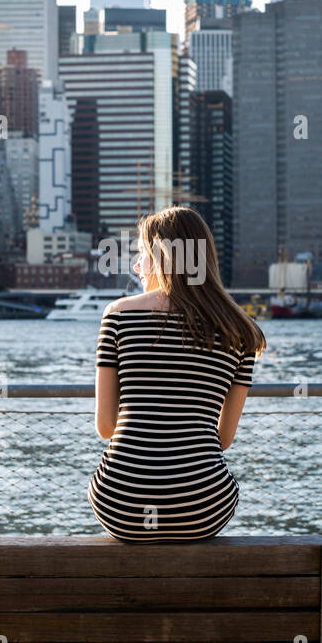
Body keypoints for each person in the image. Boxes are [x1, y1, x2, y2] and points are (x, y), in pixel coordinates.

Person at [89, 206, 266, 542]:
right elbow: (223, 440)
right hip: (203, 507)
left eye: (142, 254)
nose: (137, 266)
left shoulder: (118, 316)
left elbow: (106, 427)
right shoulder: (241, 331)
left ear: (164, 258)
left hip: (121, 505)